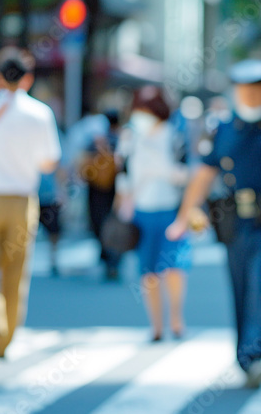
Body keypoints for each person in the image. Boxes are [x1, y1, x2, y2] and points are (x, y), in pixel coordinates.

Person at [167, 60, 261, 388]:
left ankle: (254, 354)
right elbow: (203, 175)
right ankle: (244, 355)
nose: (253, 94)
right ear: (236, 91)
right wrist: (184, 215)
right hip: (232, 220)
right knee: (240, 285)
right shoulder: (221, 127)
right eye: (246, 88)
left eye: (260, 87)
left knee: (260, 281)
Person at [0, 47, 62, 358]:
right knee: (15, 269)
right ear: (28, 79)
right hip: (21, 201)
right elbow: (49, 162)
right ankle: (6, 337)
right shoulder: (40, 113)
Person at [116, 87, 191, 342]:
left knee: (174, 267)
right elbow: (123, 173)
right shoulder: (130, 136)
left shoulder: (175, 135)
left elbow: (187, 173)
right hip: (141, 211)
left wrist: (162, 170)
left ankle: (176, 320)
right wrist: (123, 203)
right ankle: (156, 326)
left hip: (171, 209)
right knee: (148, 271)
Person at [81, 109, 123, 280]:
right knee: (115, 224)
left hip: (96, 191)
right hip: (117, 190)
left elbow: (84, 167)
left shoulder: (94, 142)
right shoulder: (120, 141)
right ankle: (113, 259)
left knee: (98, 223)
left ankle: (107, 255)